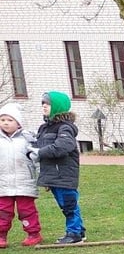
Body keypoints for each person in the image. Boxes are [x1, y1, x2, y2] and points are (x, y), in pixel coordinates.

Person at [34, 91, 85, 244]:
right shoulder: (44, 128)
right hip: (53, 175)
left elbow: (63, 147)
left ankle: (74, 233)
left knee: (69, 205)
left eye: (47, 103)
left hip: (64, 174)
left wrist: (39, 152)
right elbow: (41, 146)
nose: (44, 106)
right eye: (42, 103)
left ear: (57, 107)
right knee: (65, 205)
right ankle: (79, 231)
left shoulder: (65, 128)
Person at [0, 102, 43, 248]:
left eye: (10, 120)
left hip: (25, 183)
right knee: (3, 211)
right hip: (3, 184)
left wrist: (42, 176)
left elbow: (37, 158)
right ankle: (1, 236)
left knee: (27, 210)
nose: (6, 123)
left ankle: (33, 233)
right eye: (3, 120)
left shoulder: (27, 139)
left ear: (18, 123)